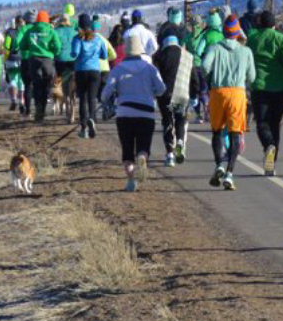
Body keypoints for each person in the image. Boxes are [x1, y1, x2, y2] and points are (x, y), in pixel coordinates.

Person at [101, 31, 165, 192]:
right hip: (146, 113)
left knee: (127, 150)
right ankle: (142, 157)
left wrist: (113, 96)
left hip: (124, 113)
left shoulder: (118, 69)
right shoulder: (150, 68)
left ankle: (131, 181)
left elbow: (105, 94)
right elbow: (162, 89)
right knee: (143, 145)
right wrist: (151, 93)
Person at [200, 15, 257, 189]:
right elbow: (252, 77)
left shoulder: (215, 48)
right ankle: (230, 174)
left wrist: (210, 79)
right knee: (234, 134)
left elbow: (204, 67)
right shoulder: (245, 51)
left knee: (217, 131)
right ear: (237, 32)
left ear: (224, 31)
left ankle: (218, 165)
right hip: (237, 93)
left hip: (217, 92)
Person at [248, 10, 283, 176]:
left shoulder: (252, 39)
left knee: (262, 123)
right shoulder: (282, 39)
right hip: (279, 87)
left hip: (259, 87)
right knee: (276, 126)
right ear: (274, 24)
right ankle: (271, 165)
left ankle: (268, 145)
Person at [153, 13, 202, 167]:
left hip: (165, 94)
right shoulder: (186, 55)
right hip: (181, 93)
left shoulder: (158, 56)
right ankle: (180, 141)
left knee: (167, 122)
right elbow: (194, 79)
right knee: (180, 120)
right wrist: (194, 95)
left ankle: (169, 154)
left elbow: (154, 77)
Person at [71, 14, 109, 137]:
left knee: (82, 99)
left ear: (80, 25)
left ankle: (83, 129)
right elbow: (104, 55)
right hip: (95, 72)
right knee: (92, 98)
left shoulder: (77, 38)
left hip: (81, 72)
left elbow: (74, 54)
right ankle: (92, 119)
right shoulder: (98, 39)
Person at [20, 10, 62, 122]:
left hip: (34, 61)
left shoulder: (30, 31)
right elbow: (58, 47)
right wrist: (51, 51)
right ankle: (42, 110)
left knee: (36, 86)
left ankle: (38, 109)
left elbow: (22, 45)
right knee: (46, 86)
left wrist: (31, 47)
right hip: (48, 61)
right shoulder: (51, 31)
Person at [54, 13, 78, 120]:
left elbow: (55, 46)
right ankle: (72, 108)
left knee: (63, 85)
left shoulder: (56, 32)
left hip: (60, 60)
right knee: (73, 85)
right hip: (73, 61)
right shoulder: (75, 32)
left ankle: (66, 105)